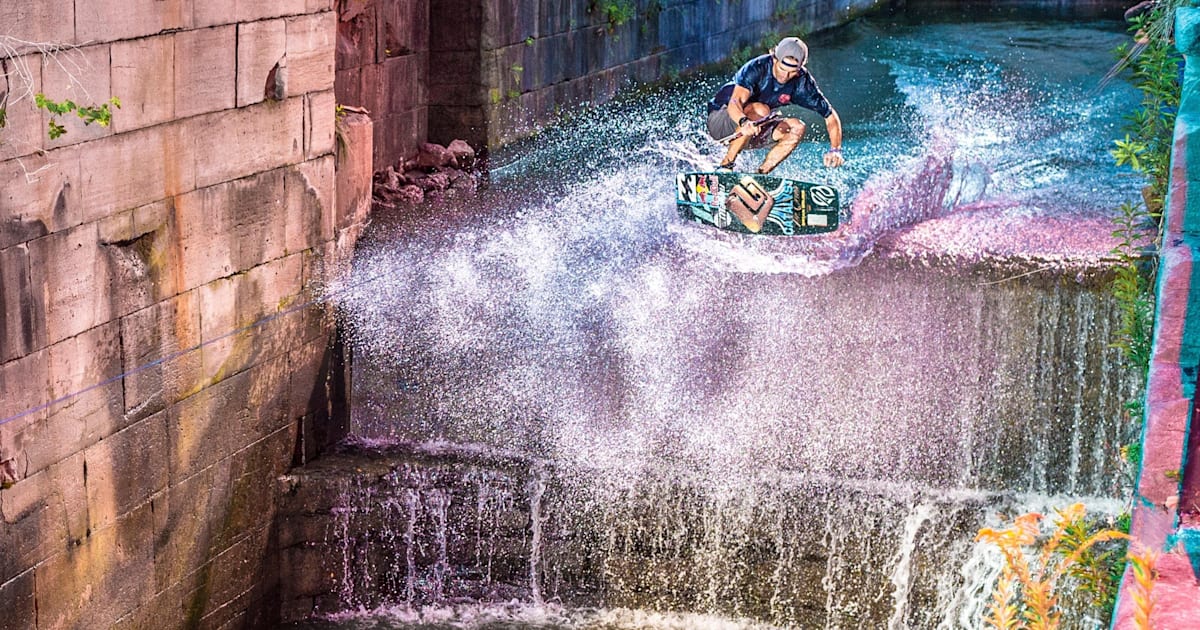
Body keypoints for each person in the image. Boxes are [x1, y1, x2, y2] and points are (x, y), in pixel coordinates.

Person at [706, 36, 845, 174]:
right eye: (782, 69)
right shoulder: (757, 67)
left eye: (792, 72)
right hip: (722, 122)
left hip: (753, 130)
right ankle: (725, 167)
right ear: (774, 59)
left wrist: (835, 150)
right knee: (761, 110)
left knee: (797, 127)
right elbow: (735, 102)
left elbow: (830, 116)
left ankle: (760, 175)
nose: (785, 76)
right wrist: (743, 121)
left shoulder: (803, 84)